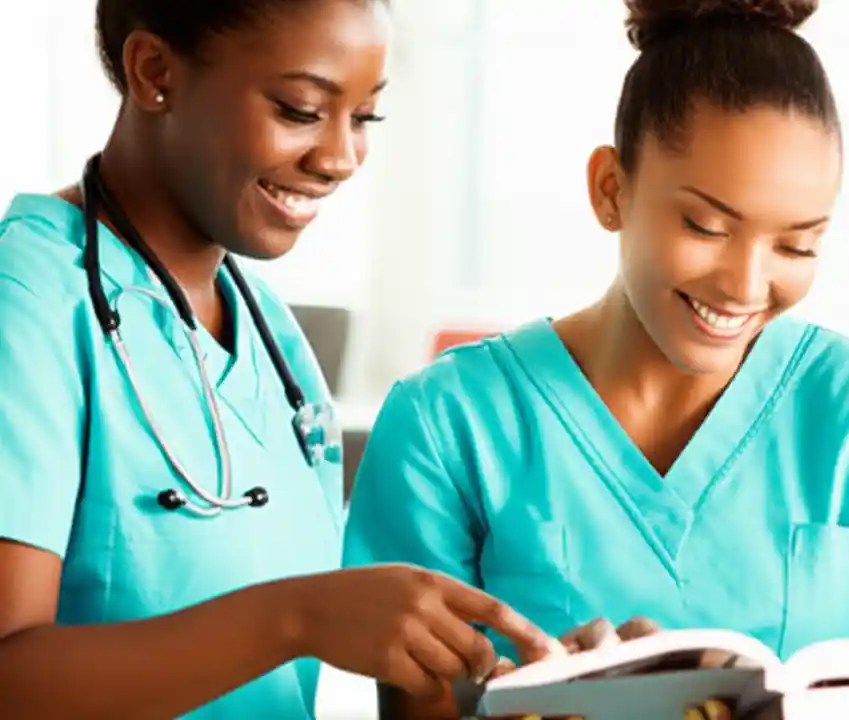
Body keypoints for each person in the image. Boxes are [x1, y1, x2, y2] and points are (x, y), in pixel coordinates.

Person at [343, 0, 849, 715]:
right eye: (706, 225)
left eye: (796, 244)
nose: (746, 284)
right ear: (612, 190)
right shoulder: (450, 423)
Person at [0, 2, 561, 718]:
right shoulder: (29, 302)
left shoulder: (272, 336)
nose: (339, 158)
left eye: (363, 118)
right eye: (301, 110)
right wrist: (297, 618)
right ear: (154, 72)